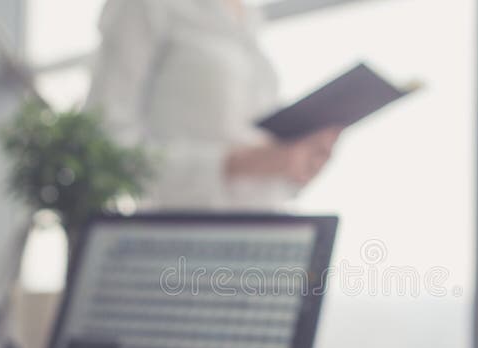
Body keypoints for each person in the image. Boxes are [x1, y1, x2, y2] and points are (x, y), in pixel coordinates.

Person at [87, 0, 342, 209]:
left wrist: (296, 163)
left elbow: (254, 151)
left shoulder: (249, 17)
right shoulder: (145, 6)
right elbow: (106, 147)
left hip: (266, 236)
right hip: (181, 242)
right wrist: (233, 164)